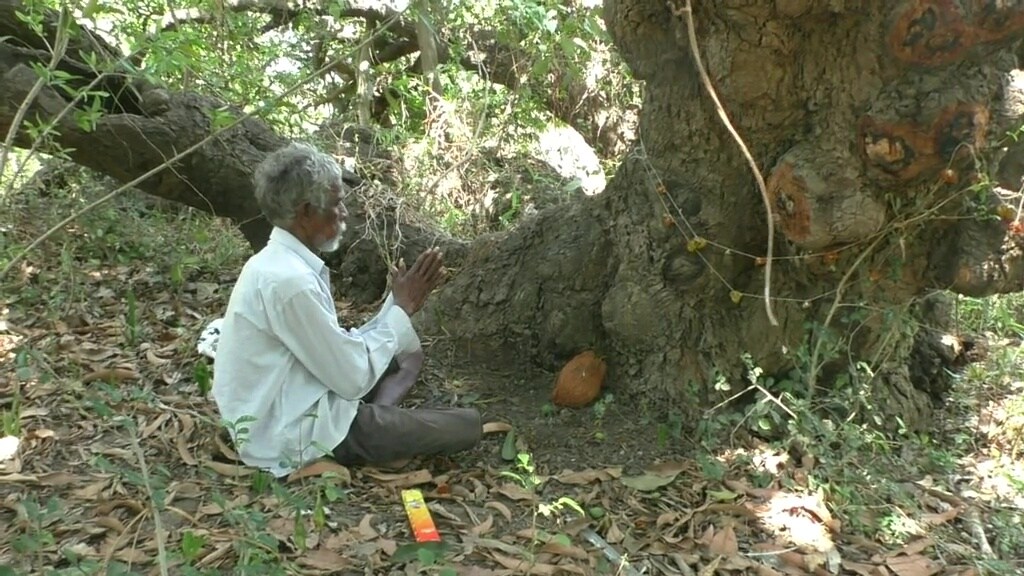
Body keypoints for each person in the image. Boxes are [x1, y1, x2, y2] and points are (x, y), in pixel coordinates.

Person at [209, 142, 482, 478]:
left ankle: (375, 422)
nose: (343, 213)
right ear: (306, 212)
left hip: (303, 393)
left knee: (405, 357)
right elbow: (351, 378)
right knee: (464, 426)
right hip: (290, 431)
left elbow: (338, 352)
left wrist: (396, 306)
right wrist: (402, 308)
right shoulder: (290, 282)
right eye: (336, 204)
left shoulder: (277, 263)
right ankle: (369, 430)